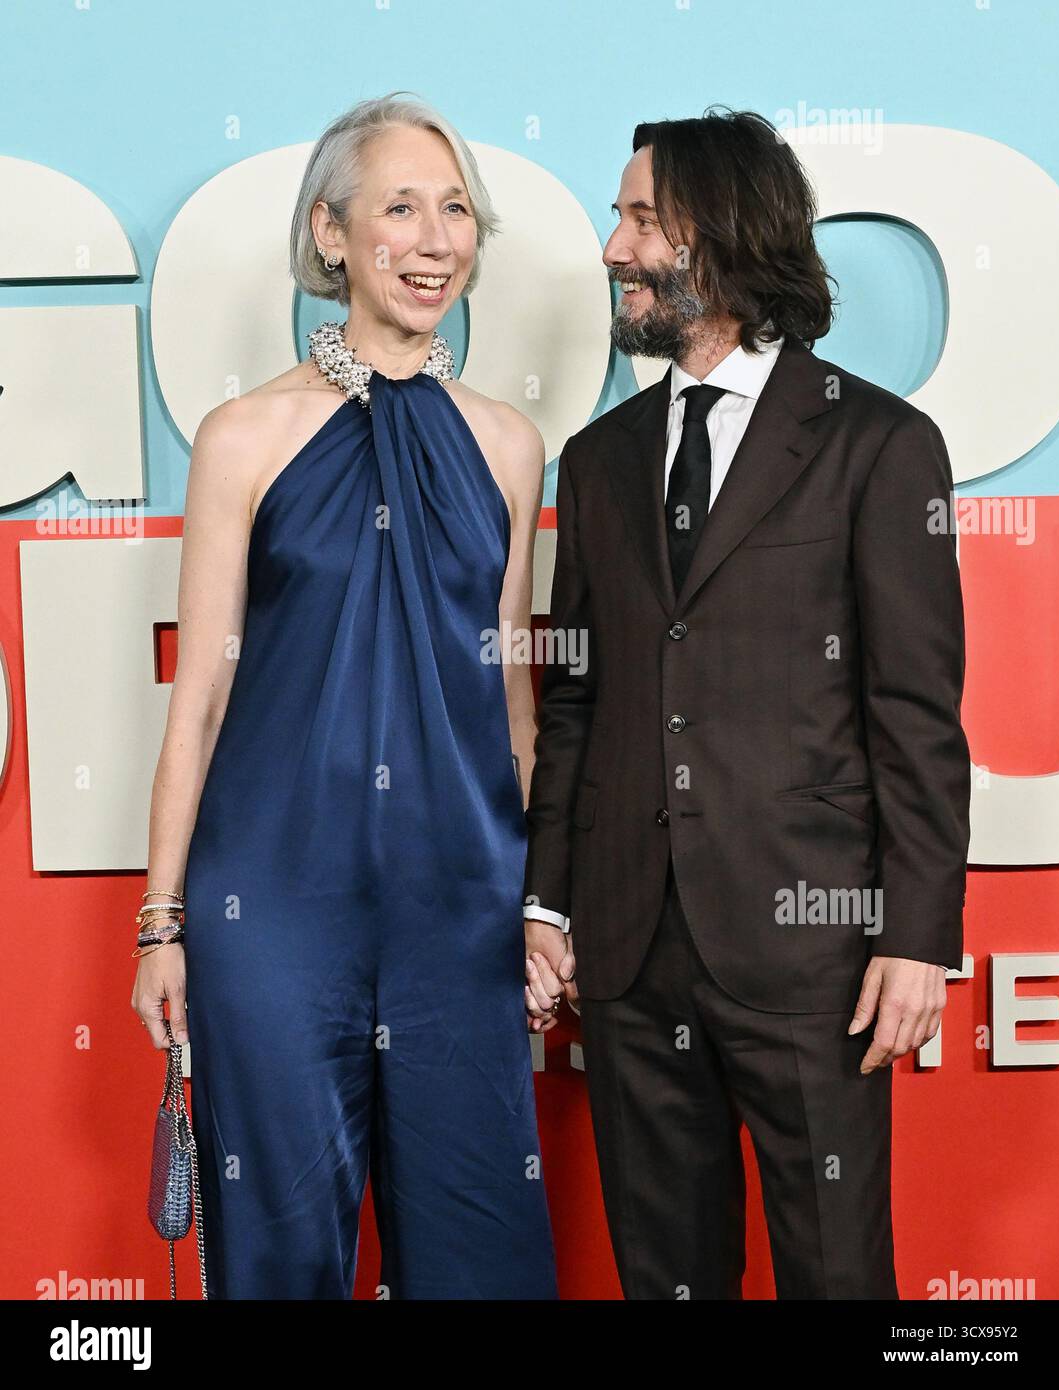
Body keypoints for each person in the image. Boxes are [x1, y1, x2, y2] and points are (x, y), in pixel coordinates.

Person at [521, 106, 971, 1299]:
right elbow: (577, 699)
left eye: (638, 219)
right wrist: (549, 901)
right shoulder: (602, 458)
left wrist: (918, 934)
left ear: (718, 238)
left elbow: (916, 712)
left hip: (813, 948)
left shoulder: (879, 445)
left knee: (836, 1276)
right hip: (627, 951)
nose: (612, 250)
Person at [130, 92, 558, 1300]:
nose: (436, 241)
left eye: (458, 208)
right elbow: (202, 701)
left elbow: (512, 697)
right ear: (330, 234)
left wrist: (543, 905)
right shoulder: (244, 437)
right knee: (279, 1251)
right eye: (402, 207)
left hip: (463, 915)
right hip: (269, 909)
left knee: (479, 1252)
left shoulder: (509, 444)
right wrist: (161, 920)